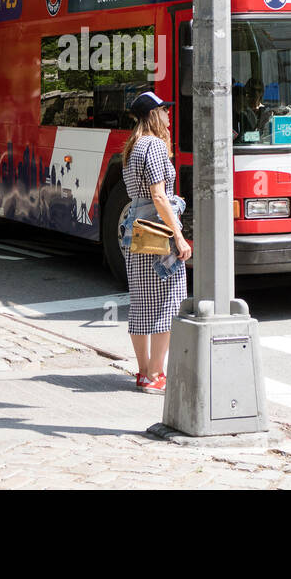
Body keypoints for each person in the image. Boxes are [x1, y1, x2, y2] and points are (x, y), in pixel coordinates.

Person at [118, 91, 191, 393]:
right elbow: (159, 196)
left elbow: (144, 196)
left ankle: (143, 371)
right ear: (153, 115)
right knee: (168, 304)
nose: (168, 115)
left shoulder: (132, 147)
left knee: (141, 304)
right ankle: (156, 375)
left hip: (136, 232)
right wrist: (179, 235)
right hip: (159, 234)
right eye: (164, 110)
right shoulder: (156, 146)